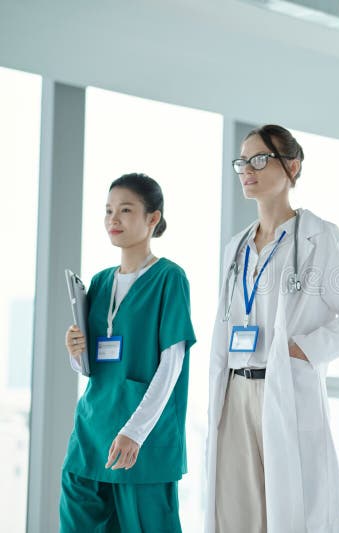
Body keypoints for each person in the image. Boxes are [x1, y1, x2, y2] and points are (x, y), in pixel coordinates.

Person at [205, 124, 339, 533]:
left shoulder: (319, 237)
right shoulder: (236, 246)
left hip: (284, 388)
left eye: (260, 159)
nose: (248, 169)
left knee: (291, 513)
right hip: (235, 390)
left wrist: (302, 349)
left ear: (291, 166)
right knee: (238, 512)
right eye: (242, 161)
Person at [61, 173, 196, 532]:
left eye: (124, 210)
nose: (112, 220)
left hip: (143, 437)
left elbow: (173, 363)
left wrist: (135, 431)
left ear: (153, 218)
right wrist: (75, 352)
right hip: (92, 431)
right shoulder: (101, 281)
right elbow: (94, 367)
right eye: (108, 211)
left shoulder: (170, 278)